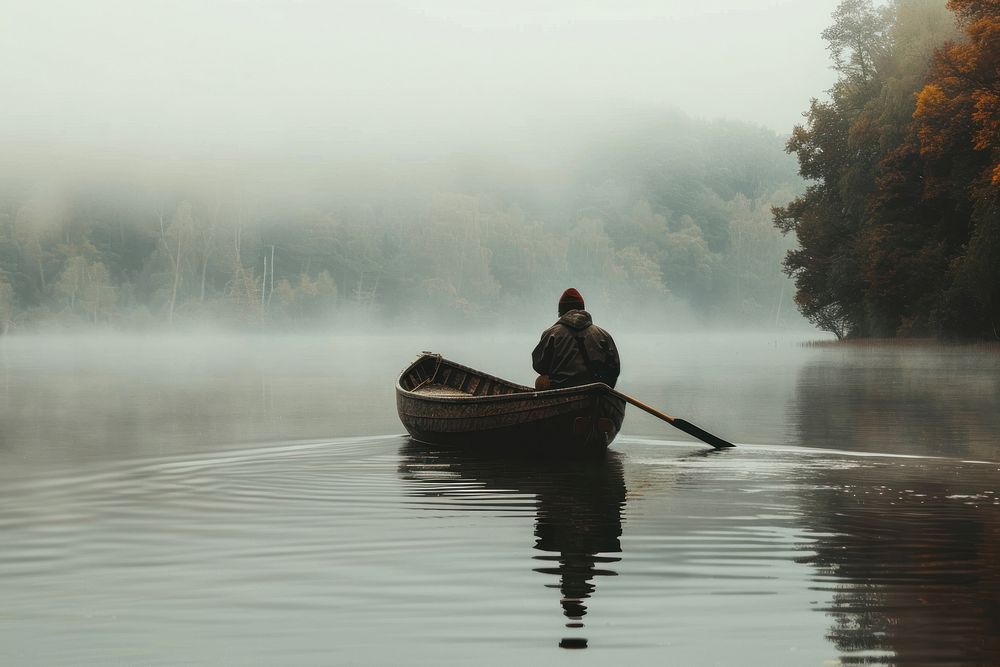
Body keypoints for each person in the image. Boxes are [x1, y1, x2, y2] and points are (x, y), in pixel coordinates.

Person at [532, 288, 620, 390]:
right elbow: (614, 370)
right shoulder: (604, 335)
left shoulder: (551, 334)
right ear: (582, 309)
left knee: (541, 381)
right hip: (595, 391)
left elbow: (538, 366)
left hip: (560, 390)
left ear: (561, 312)